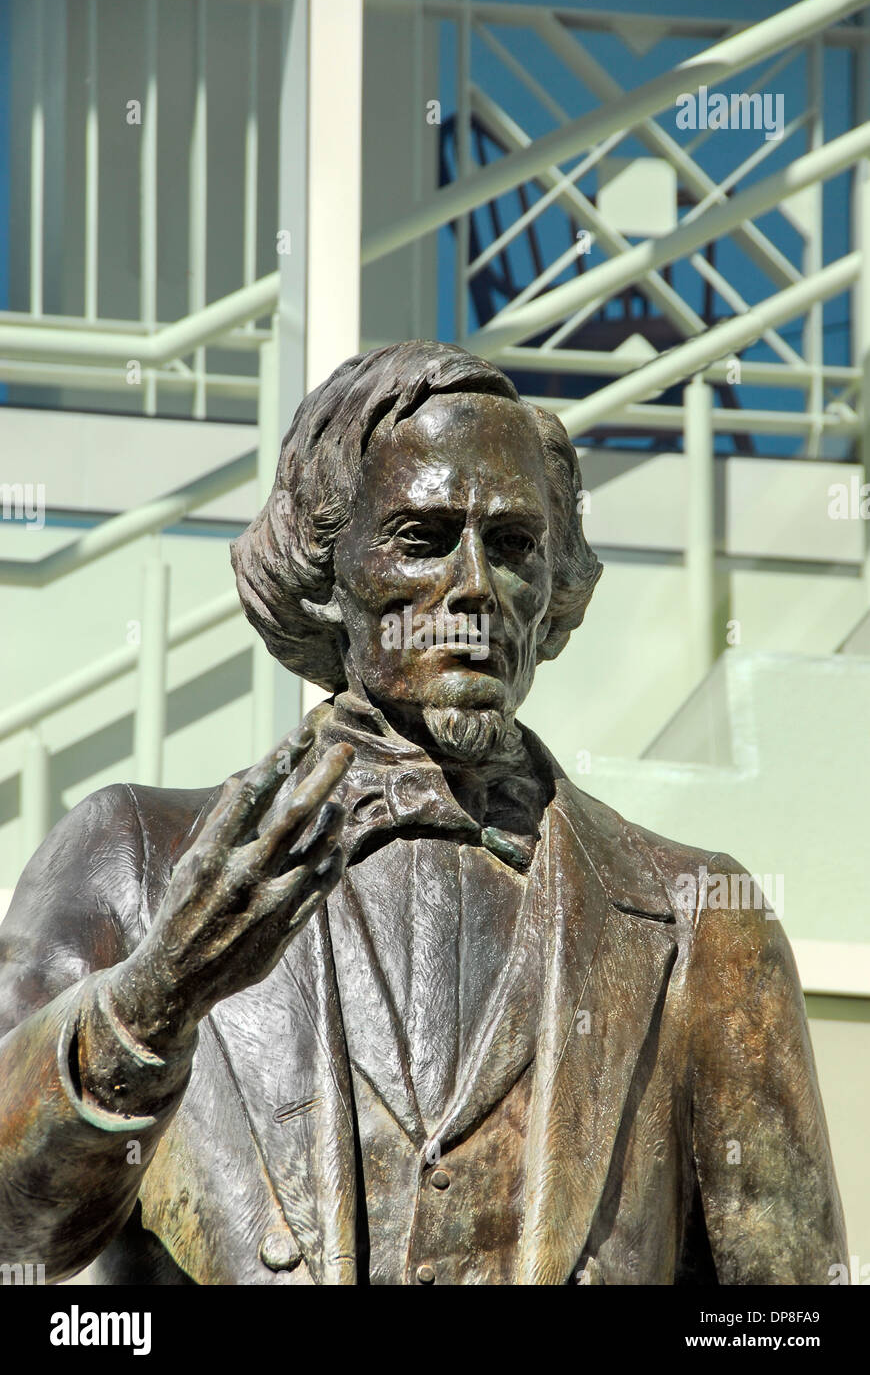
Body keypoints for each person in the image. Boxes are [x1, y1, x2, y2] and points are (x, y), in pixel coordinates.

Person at [0, 342, 846, 1284]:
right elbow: (13, 1235)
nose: (476, 585)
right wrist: (157, 996)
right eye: (423, 537)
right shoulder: (136, 859)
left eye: (515, 544)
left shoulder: (701, 922)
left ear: (556, 586)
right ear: (326, 566)